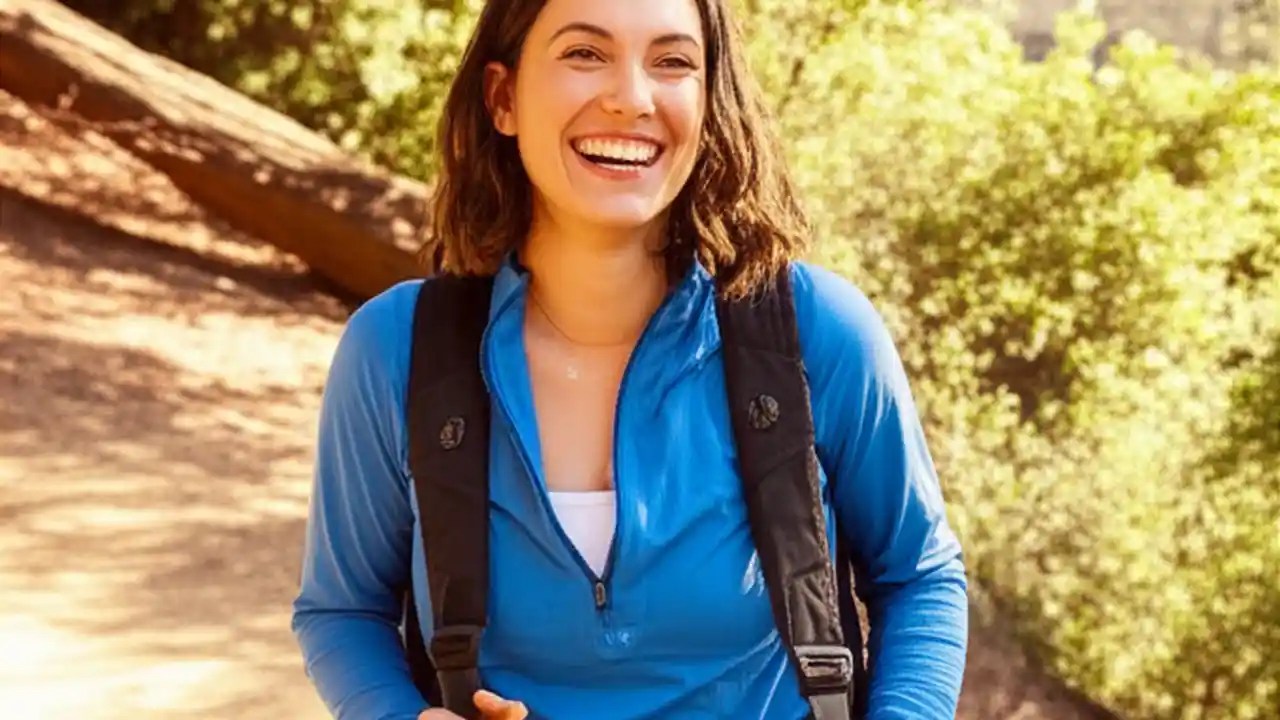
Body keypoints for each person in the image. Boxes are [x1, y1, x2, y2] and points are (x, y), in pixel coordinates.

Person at [291, 0, 969, 717]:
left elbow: (920, 576)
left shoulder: (816, 332)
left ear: (710, 103)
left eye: (673, 61)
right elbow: (343, 609)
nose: (632, 98)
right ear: (502, 97)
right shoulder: (396, 350)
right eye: (585, 54)